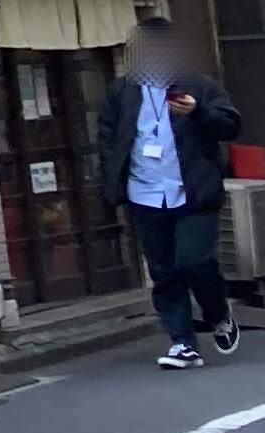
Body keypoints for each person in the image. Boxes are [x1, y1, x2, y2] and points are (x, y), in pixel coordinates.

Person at [98, 23, 242, 369]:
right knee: (163, 272)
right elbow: (106, 136)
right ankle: (182, 341)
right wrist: (110, 177)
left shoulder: (197, 85)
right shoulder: (123, 91)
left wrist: (199, 111)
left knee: (194, 261)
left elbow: (231, 126)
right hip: (143, 192)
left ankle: (218, 313)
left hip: (193, 191)